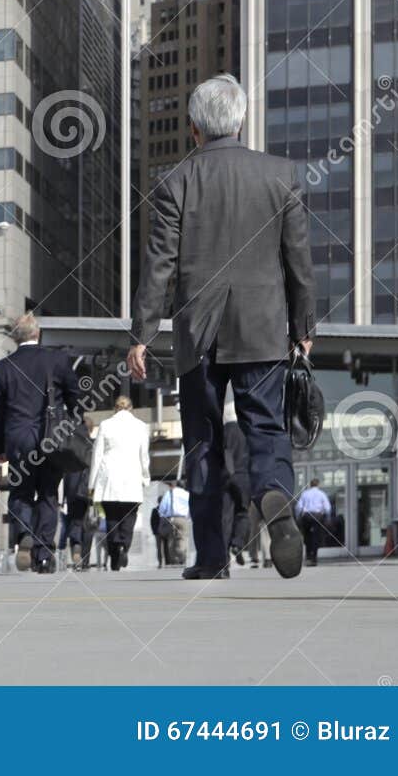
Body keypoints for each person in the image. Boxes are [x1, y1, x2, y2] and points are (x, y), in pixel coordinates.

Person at [129, 74, 315, 582]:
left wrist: (141, 334)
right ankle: (273, 490)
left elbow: (159, 266)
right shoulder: (282, 175)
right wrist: (302, 325)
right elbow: (298, 259)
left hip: (200, 332)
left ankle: (211, 557)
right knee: (266, 427)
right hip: (262, 327)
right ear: (242, 120)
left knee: (203, 442)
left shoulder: (175, 182)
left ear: (193, 129)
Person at [0, 313, 80, 574]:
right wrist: (71, 425)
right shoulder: (58, 360)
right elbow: (76, 398)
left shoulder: (3, 367)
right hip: (52, 437)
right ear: (37, 334)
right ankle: (44, 555)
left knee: (21, 492)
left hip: (18, 438)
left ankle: (23, 536)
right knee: (49, 494)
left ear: (15, 338)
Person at [89, 396, 150, 570]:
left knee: (112, 518)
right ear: (131, 408)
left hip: (109, 479)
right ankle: (124, 545)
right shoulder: (141, 426)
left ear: (114, 408)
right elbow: (144, 456)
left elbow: (97, 456)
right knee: (129, 517)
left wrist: (92, 484)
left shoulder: (105, 425)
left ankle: (115, 549)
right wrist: (145, 477)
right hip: (132, 478)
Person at [223, 409, 254, 567]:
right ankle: (238, 543)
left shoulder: (225, 431)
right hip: (244, 476)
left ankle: (224, 553)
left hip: (227, 475)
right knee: (243, 512)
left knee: (226, 516)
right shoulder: (248, 431)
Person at [62, 465, 94, 571]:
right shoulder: (92, 447)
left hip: (72, 481)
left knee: (75, 519)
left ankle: (76, 544)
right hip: (89, 480)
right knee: (88, 520)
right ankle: (85, 560)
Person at [296, 478, 334, 566]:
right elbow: (327, 507)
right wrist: (328, 517)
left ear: (310, 485)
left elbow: (298, 507)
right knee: (316, 536)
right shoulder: (321, 494)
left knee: (307, 536)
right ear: (318, 485)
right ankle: (314, 557)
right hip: (317, 516)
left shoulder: (305, 494)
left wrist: (298, 517)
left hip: (307, 516)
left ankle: (308, 556)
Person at [157, 480, 193, 567]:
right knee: (182, 538)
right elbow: (191, 506)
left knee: (171, 539)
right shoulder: (186, 494)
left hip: (171, 518)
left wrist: (163, 517)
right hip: (183, 518)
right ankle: (182, 557)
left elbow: (162, 508)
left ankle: (174, 560)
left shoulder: (169, 493)